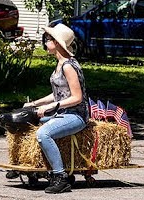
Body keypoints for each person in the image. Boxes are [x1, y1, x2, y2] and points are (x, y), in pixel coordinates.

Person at [21, 24, 89, 194]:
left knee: (43, 133)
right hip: (63, 113)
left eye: (48, 39)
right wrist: (34, 103)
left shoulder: (68, 66)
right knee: (31, 122)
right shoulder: (60, 64)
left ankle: (61, 178)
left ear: (58, 43)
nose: (46, 42)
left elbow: (77, 97)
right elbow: (57, 94)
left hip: (76, 115)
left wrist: (51, 107)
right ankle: (29, 165)